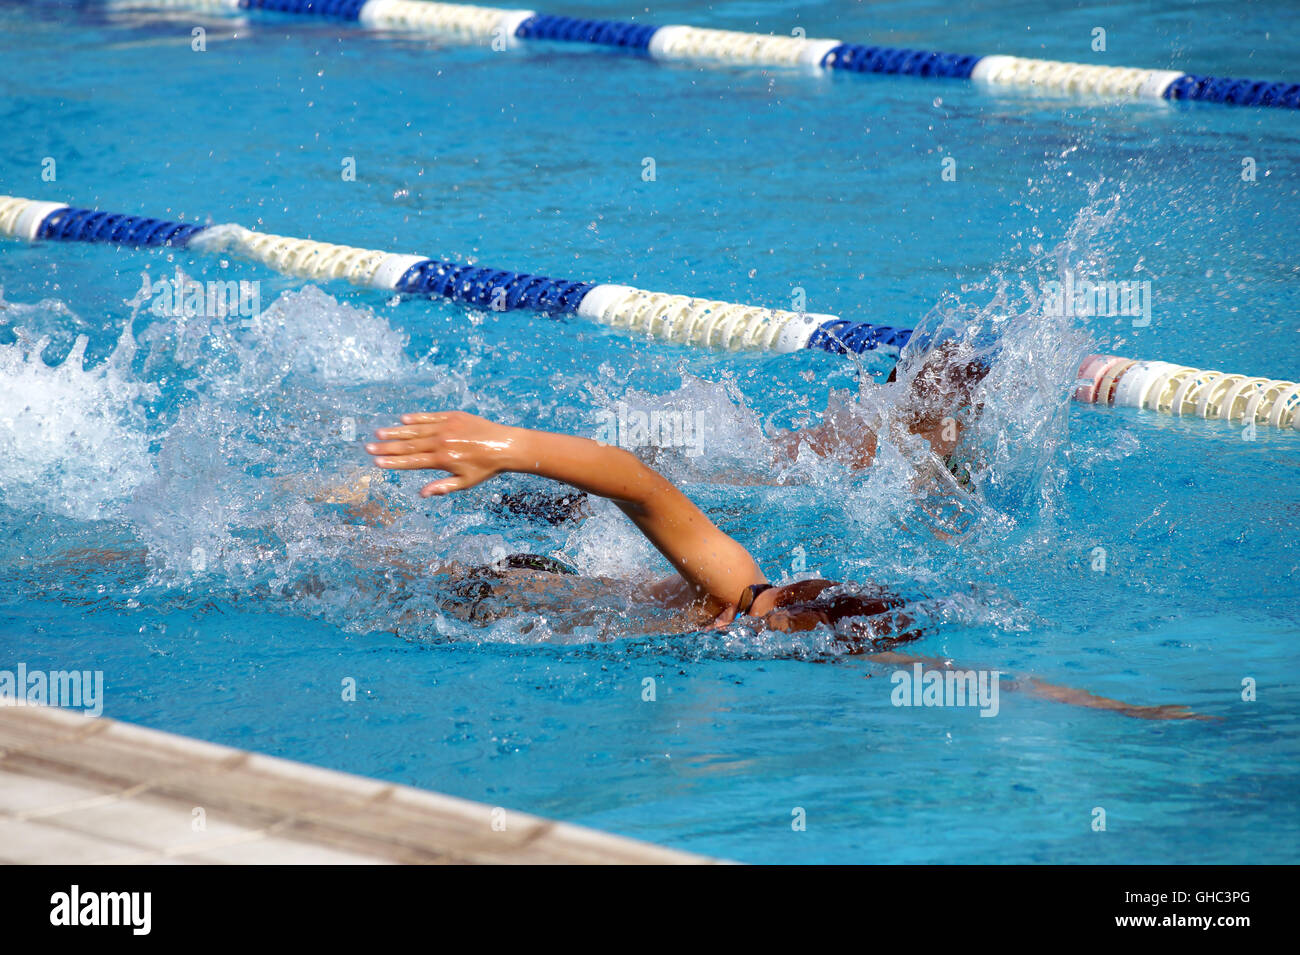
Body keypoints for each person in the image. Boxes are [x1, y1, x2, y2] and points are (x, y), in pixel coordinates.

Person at [362, 347, 1204, 720]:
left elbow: (948, 671)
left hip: (523, 593)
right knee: (375, 556)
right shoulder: (732, 586)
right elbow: (637, 481)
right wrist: (507, 447)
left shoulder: (757, 618)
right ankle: (357, 506)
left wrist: (1116, 707)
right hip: (488, 590)